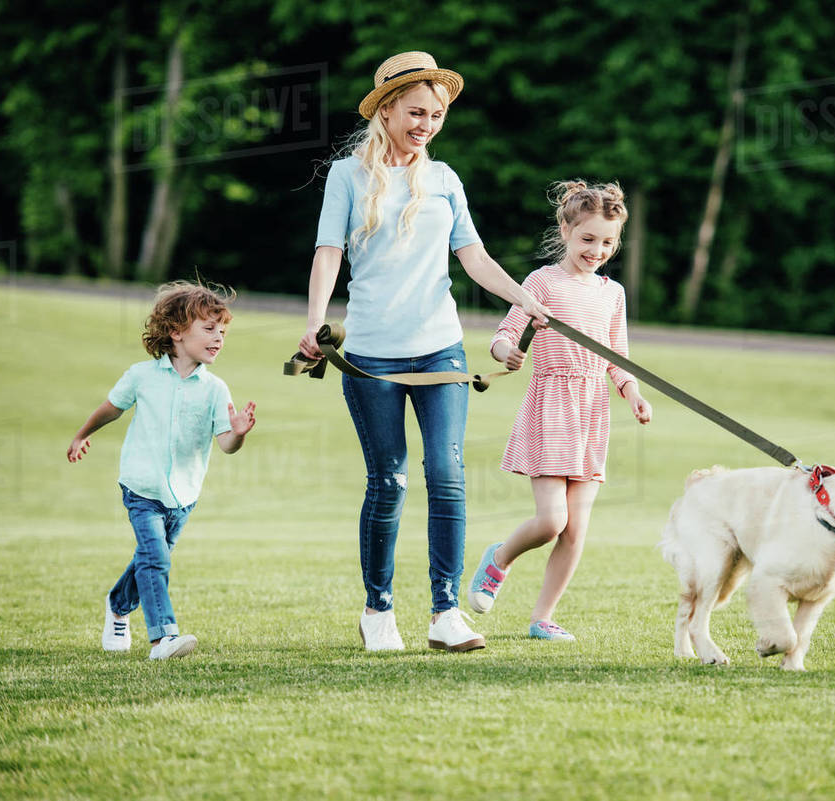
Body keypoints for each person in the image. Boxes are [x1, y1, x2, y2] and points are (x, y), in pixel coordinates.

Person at [296, 51, 549, 653]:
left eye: (436, 115)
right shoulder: (347, 176)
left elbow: (475, 258)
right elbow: (328, 252)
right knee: (389, 480)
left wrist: (525, 299)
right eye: (415, 112)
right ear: (385, 110)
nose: (427, 125)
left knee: (447, 475)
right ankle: (378, 609)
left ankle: (446, 611)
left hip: (440, 350)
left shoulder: (444, 179)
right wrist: (315, 323)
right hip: (372, 356)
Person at [467, 181, 652, 641]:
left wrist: (631, 391)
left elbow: (617, 354)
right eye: (588, 239)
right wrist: (507, 352)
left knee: (576, 530)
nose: (597, 250)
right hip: (552, 405)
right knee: (552, 522)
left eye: (608, 242)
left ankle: (542, 618)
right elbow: (503, 335)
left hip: (593, 411)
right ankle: (500, 559)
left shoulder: (613, 293)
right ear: (566, 229)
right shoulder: (542, 282)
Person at [67, 281, 256, 660]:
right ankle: (162, 637)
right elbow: (112, 408)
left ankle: (118, 604)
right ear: (176, 332)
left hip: (183, 496)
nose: (219, 337)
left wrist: (238, 434)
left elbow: (226, 444)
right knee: (155, 559)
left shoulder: (216, 389)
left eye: (222, 331)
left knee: (148, 560)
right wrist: (82, 434)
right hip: (141, 486)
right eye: (209, 328)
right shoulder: (141, 376)